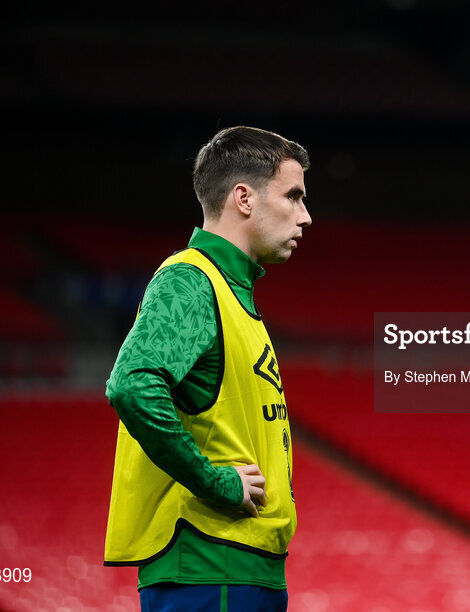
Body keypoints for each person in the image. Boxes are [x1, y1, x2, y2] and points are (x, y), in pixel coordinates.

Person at [104, 126, 312, 612]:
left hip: (243, 563)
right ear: (243, 198)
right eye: (294, 196)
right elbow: (132, 386)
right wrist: (215, 482)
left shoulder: (231, 290)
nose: (306, 216)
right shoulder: (190, 280)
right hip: (209, 563)